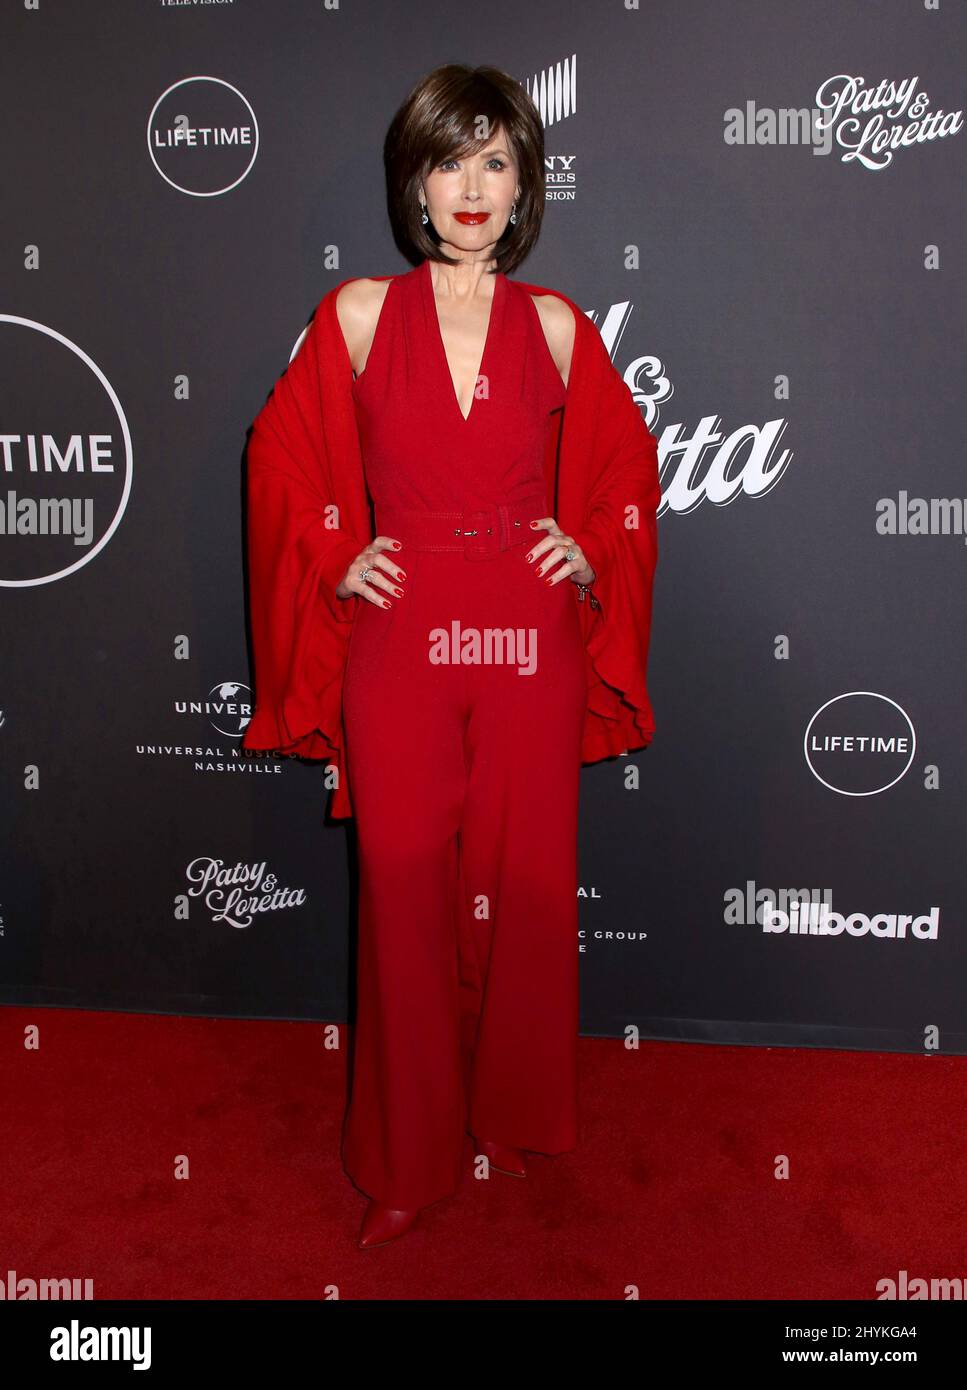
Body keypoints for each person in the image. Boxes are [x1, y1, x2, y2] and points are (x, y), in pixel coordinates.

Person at [241, 63, 661, 1250]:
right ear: (414, 184)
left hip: (529, 637)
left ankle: (507, 1113)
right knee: (405, 893)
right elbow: (277, 461)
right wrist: (333, 556)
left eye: (494, 161)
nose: (470, 187)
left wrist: (586, 547)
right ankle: (405, 1160)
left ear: (524, 183)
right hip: (402, 632)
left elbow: (630, 477)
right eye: (447, 160)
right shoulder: (359, 313)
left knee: (526, 890)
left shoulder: (558, 325)